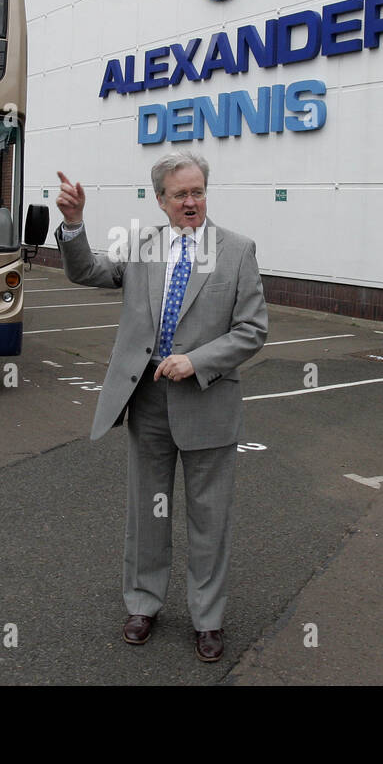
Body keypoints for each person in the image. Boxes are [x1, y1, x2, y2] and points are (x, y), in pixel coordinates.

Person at [55, 150, 268, 662]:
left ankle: (208, 618)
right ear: (160, 200)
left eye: (197, 192)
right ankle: (143, 604)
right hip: (146, 400)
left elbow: (252, 330)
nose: (190, 202)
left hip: (206, 401)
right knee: (146, 513)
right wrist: (74, 223)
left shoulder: (236, 250)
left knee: (208, 517)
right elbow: (87, 271)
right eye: (180, 194)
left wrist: (196, 360)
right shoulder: (142, 246)